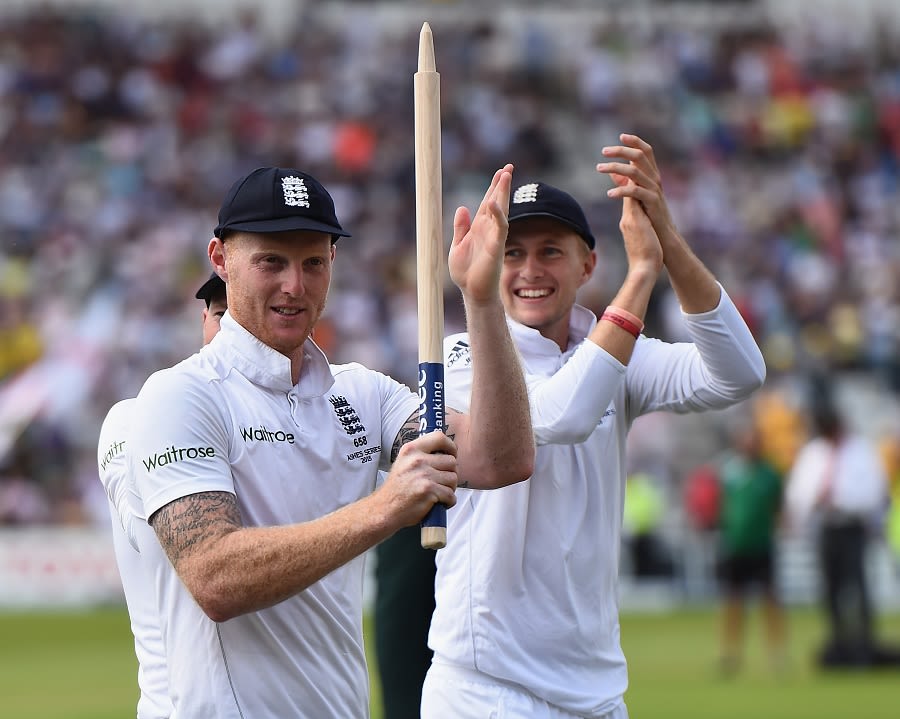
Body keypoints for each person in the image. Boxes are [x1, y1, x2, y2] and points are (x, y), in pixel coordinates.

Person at [125, 165, 535, 718]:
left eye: (313, 262)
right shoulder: (180, 396)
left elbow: (501, 457)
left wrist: (482, 301)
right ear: (220, 260)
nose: (295, 285)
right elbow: (215, 577)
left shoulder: (362, 393)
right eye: (271, 261)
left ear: (333, 263)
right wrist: (385, 508)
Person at [422, 133, 767, 719]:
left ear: (587, 263)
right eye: (511, 253)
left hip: (595, 691)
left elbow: (739, 372)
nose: (529, 270)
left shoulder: (611, 350)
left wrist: (669, 245)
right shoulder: (455, 359)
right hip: (486, 688)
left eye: (550, 251)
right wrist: (639, 280)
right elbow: (559, 417)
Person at [96, 272, 227, 718]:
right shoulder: (133, 419)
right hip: (171, 706)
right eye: (220, 315)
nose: (229, 330)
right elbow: (164, 536)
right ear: (202, 320)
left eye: (239, 317)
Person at [786, 399, 889, 667]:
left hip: (851, 526)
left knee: (858, 587)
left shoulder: (860, 451)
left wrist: (840, 499)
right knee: (830, 588)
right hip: (826, 528)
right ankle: (839, 645)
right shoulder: (814, 453)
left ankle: (865, 646)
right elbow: (798, 492)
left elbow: (874, 491)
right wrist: (813, 503)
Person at [714, 417, 786, 676]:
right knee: (733, 601)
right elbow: (723, 506)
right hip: (735, 546)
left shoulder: (770, 474)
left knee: (771, 600)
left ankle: (777, 653)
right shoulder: (730, 471)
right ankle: (730, 654)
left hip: (762, 545)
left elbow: (778, 508)